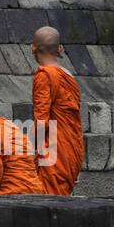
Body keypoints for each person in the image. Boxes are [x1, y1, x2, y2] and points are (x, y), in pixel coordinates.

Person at [31, 26, 84, 195]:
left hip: (52, 153)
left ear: (33, 47)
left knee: (48, 206)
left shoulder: (44, 75)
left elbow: (41, 123)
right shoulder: (69, 76)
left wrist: (25, 155)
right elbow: (75, 122)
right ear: (59, 49)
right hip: (71, 150)